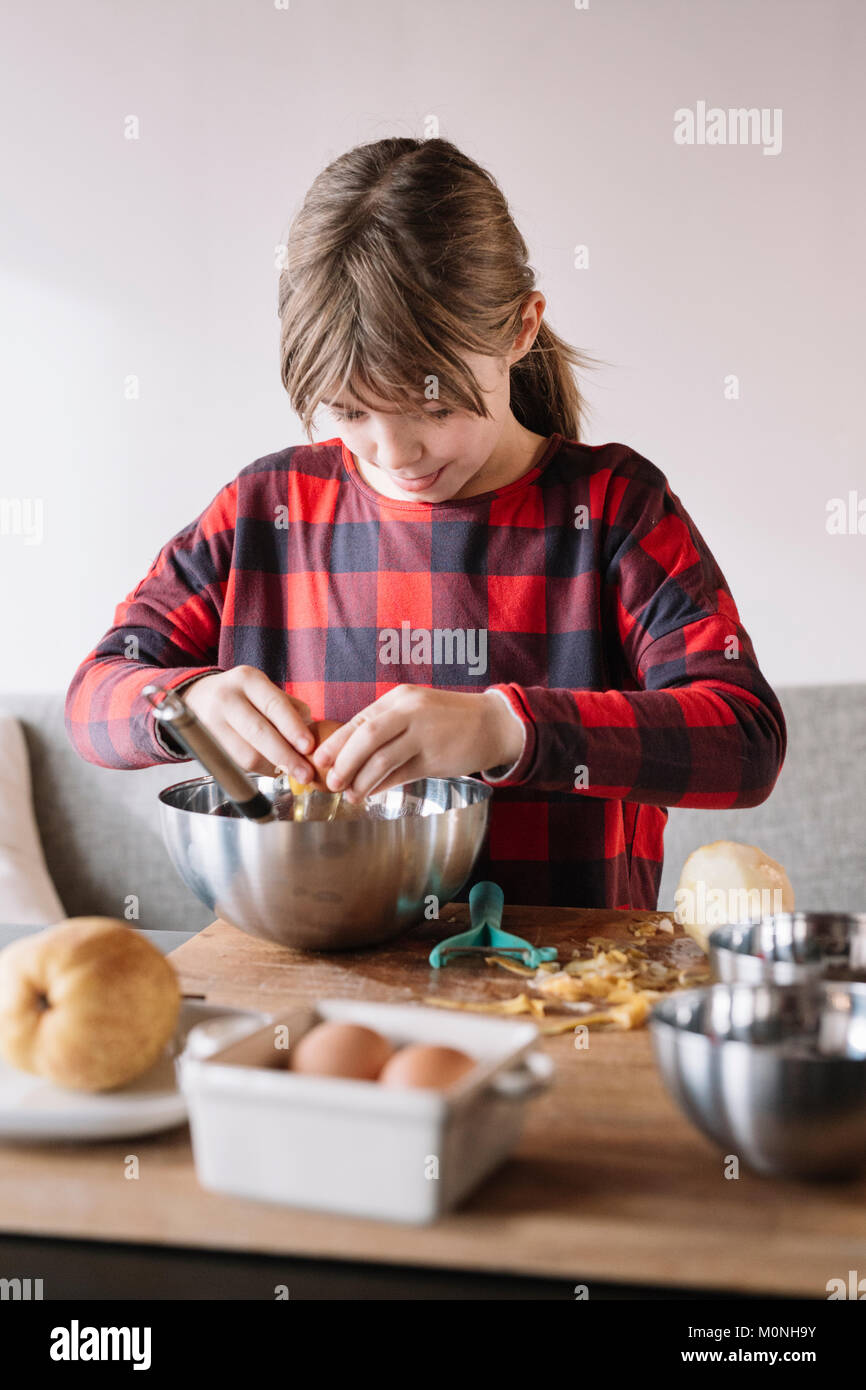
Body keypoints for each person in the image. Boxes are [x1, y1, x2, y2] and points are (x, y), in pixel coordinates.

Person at [65, 137, 786, 909]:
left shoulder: (615, 508)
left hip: (567, 995)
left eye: (434, 408)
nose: (395, 453)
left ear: (520, 330)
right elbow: (93, 701)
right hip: (313, 985)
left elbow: (744, 742)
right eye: (349, 412)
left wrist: (508, 730)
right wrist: (188, 708)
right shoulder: (262, 510)